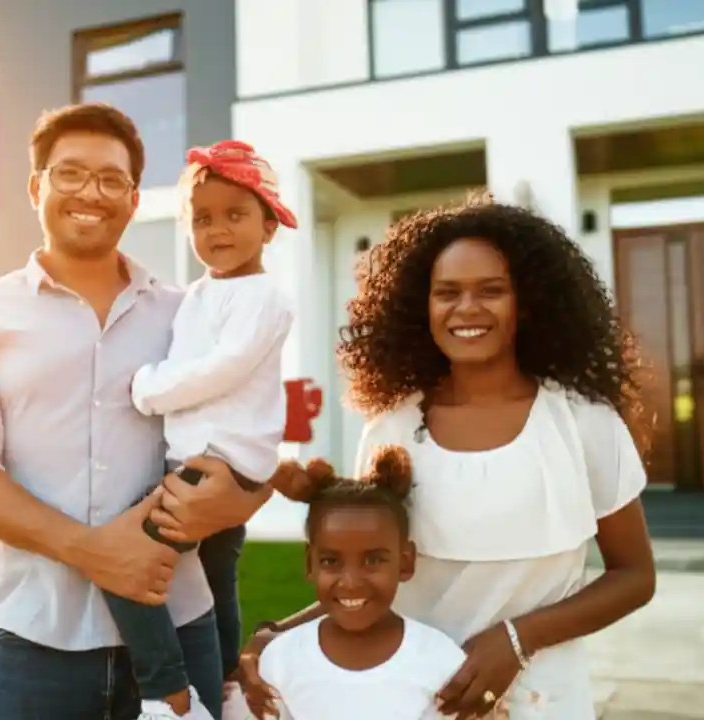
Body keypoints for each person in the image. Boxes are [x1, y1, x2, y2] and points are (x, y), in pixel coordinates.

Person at [238, 197, 657, 720]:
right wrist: (275, 636)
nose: (467, 308)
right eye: (447, 293)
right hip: (415, 701)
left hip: (544, 702)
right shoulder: (392, 427)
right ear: (422, 307)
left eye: (491, 290)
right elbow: (366, 571)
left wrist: (517, 640)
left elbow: (634, 575)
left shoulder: (583, 421)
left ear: (526, 303)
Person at [0, 103, 273, 720]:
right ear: (36, 188)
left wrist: (240, 500)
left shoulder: (190, 313)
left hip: (180, 631)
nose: (91, 192)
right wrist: (92, 550)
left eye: (112, 180)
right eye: (70, 174)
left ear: (134, 201)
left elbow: (254, 434)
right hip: (36, 643)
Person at [103, 140, 297, 720]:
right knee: (215, 579)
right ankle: (230, 681)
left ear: (268, 226)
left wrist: (147, 387)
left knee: (124, 558)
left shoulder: (265, 297)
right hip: (204, 456)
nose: (218, 230)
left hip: (220, 462)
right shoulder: (198, 295)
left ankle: (165, 686)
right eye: (202, 218)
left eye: (235, 215)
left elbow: (221, 369)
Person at [253, 445, 467, 719]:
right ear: (310, 564)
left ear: (405, 562)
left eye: (373, 560)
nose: (351, 582)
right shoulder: (279, 662)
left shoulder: (442, 662)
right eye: (331, 561)